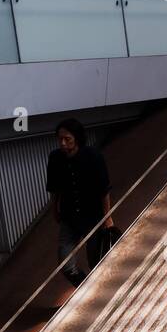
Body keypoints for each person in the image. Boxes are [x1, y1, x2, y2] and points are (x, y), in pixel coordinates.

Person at [46, 118, 115, 287]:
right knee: (65, 264)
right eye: (60, 139)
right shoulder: (55, 158)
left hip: (93, 216)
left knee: (97, 260)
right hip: (69, 216)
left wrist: (107, 217)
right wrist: (55, 210)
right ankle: (87, 287)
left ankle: (101, 289)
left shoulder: (93, 156)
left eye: (67, 139)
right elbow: (54, 189)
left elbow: (104, 190)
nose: (62, 143)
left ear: (76, 138)